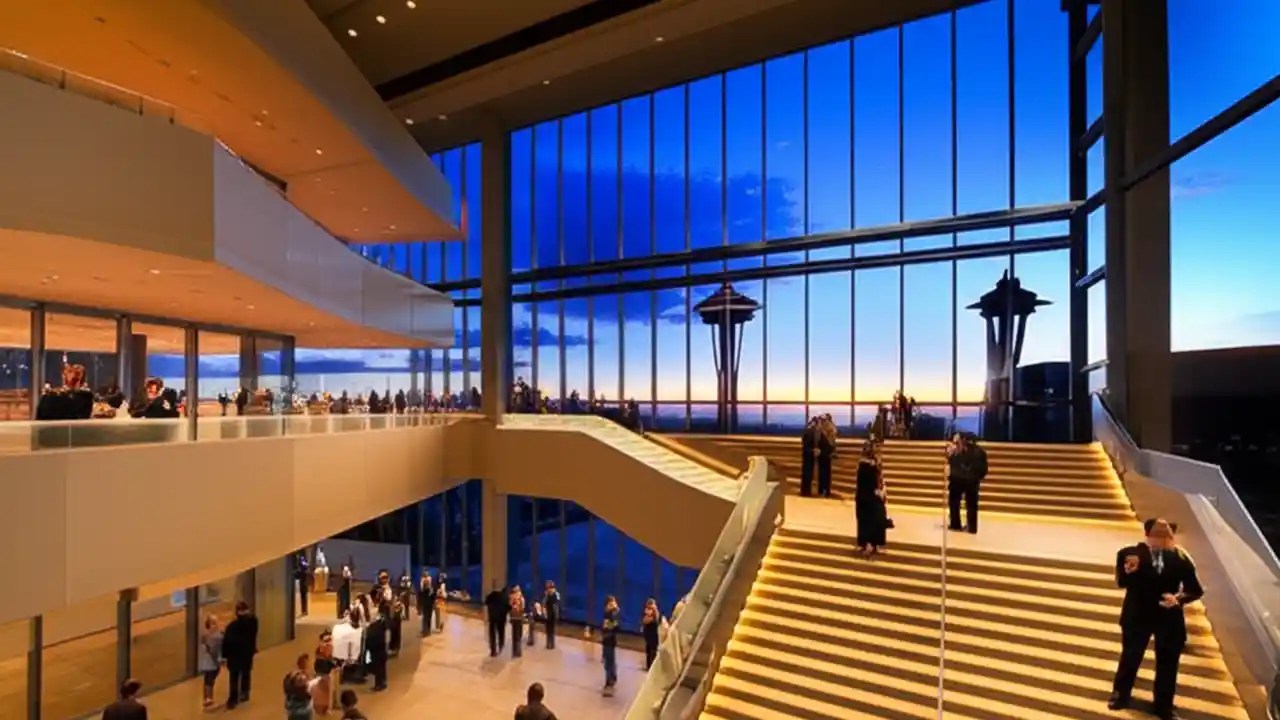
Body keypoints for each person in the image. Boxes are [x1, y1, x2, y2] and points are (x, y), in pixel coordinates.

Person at [1109, 519, 1203, 720]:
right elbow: (1122, 582)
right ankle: (1120, 694)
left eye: (1165, 536)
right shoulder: (1129, 554)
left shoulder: (1181, 559)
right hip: (1137, 615)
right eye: (1157, 536)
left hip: (1168, 618)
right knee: (1130, 656)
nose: (1161, 540)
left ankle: (1163, 705)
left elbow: (1195, 590)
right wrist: (1130, 570)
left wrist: (1177, 599)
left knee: (1168, 664)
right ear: (1147, 536)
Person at [946, 432, 988, 534]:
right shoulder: (981, 452)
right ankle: (972, 528)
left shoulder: (958, 450)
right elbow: (984, 469)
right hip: (972, 481)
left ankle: (955, 524)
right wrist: (978, 478)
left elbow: (952, 463)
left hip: (957, 480)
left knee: (954, 502)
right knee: (972, 505)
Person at [222, 601, 259, 709]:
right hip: (247, 653)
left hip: (234, 655)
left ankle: (233, 698)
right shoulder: (253, 622)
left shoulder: (232, 627)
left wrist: (224, 656)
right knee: (246, 673)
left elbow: (226, 642)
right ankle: (245, 692)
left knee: (234, 677)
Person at [855, 441, 888, 557]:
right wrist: (878, 490)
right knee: (870, 521)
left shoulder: (871, 464)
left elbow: (878, 479)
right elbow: (868, 482)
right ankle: (871, 544)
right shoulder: (867, 465)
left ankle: (871, 544)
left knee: (871, 521)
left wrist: (882, 488)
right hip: (869, 497)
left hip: (868, 496)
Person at [197, 615, 224, 710]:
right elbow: (215, 651)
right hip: (211, 663)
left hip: (207, 663)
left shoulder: (206, 636)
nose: (216, 625)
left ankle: (206, 699)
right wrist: (219, 661)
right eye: (214, 623)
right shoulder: (214, 637)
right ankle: (209, 700)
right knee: (210, 681)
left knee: (207, 680)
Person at [283, 653, 315, 720]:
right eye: (307, 663)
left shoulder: (291, 675)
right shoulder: (300, 677)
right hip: (301, 710)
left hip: (295, 710)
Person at [365, 604, 389, 692]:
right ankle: (382, 682)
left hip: (376, 651)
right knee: (382, 668)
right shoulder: (381, 624)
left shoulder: (374, 627)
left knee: (378, 668)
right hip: (381, 650)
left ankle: (379, 685)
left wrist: (367, 647)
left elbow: (371, 640)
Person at [313, 630, 337, 715]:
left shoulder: (320, 648)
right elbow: (329, 659)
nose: (329, 642)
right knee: (327, 691)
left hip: (321, 671)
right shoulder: (325, 648)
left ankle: (322, 706)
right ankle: (327, 708)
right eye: (327, 640)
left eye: (330, 639)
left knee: (321, 690)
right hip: (325, 672)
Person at [601, 595, 620, 696]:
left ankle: (609, 681)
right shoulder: (609, 614)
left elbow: (612, 627)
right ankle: (612, 678)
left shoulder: (611, 615)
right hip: (607, 641)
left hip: (609, 641)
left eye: (613, 603)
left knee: (609, 662)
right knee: (609, 661)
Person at [485, 582, 510, 656]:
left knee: (492, 634)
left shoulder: (490, 596)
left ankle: (493, 650)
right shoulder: (505, 597)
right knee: (501, 633)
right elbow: (508, 608)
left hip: (492, 618)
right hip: (501, 619)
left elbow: (486, 604)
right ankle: (501, 645)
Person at [816, 416, 837, 498]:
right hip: (825, 455)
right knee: (825, 473)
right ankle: (825, 490)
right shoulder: (829, 430)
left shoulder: (824, 431)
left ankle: (823, 490)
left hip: (824, 455)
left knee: (824, 473)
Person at [641, 598, 662, 670]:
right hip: (648, 634)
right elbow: (644, 621)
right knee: (648, 650)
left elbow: (656, 621)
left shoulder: (656, 614)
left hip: (654, 635)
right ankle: (648, 666)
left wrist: (652, 613)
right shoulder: (647, 612)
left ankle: (652, 667)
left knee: (653, 651)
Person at [799, 417, 817, 497]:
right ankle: (806, 492)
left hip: (806, 455)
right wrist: (813, 450)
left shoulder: (806, 430)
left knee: (806, 474)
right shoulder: (810, 432)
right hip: (808, 456)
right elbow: (807, 446)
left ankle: (804, 491)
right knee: (808, 475)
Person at [509, 586, 526, 658]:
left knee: (514, 636)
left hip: (514, 618)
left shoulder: (512, 599)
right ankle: (518, 652)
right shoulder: (521, 599)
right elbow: (523, 608)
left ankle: (514, 652)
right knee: (518, 636)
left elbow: (509, 607)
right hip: (519, 618)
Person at [543, 580, 561, 649]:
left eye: (550, 588)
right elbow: (544, 604)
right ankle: (548, 644)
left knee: (552, 630)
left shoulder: (556, 595)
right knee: (548, 630)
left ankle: (552, 644)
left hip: (553, 614)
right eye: (548, 588)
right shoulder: (546, 595)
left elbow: (558, 604)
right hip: (548, 614)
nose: (549, 589)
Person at [419, 571, 435, 636]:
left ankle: (427, 630)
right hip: (425, 604)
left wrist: (433, 603)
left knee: (429, 617)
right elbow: (420, 595)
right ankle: (425, 631)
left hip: (430, 604)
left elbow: (433, 596)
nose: (427, 581)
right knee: (425, 617)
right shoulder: (423, 590)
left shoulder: (431, 589)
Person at [295, 553, 310, 617]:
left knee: (303, 596)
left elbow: (306, 565)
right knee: (302, 596)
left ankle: (304, 610)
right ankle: (303, 610)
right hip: (301, 580)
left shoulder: (302, 559)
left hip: (302, 581)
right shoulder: (299, 559)